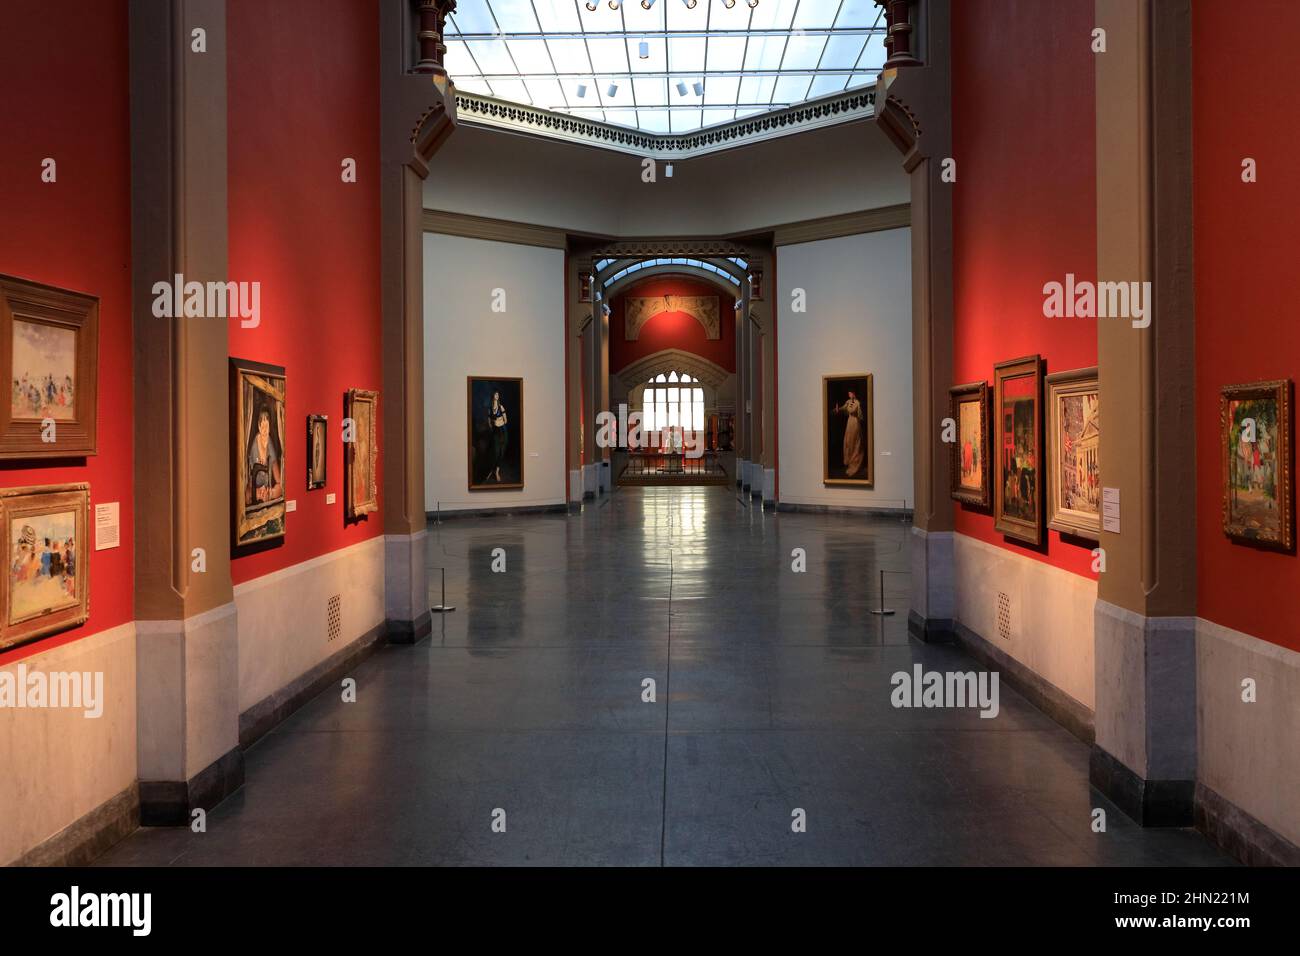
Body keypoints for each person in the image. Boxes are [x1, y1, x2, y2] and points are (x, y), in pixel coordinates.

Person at [248, 408, 282, 504]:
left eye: (266, 426)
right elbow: (250, 479)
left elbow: (278, 479)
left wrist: (270, 492)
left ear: (270, 427)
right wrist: (258, 491)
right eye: (262, 426)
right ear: (258, 426)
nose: (264, 430)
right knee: (247, 495)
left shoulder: (269, 443)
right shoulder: (255, 444)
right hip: (254, 487)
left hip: (266, 489)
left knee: (280, 489)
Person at [831, 389, 866, 477]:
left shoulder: (857, 402)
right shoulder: (848, 401)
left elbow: (851, 411)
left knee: (855, 442)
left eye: (850, 394)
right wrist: (837, 409)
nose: (849, 396)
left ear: (854, 394)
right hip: (849, 423)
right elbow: (843, 408)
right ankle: (849, 461)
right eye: (848, 394)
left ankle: (855, 462)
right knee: (848, 441)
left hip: (855, 422)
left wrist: (848, 406)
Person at [487, 391, 509, 483]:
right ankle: (492, 470)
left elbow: (506, 420)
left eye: (498, 395)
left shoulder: (501, 407)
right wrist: (493, 425)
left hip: (503, 431)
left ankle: (497, 472)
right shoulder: (490, 408)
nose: (497, 396)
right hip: (496, 431)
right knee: (495, 452)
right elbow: (488, 420)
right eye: (496, 394)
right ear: (492, 395)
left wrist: (500, 421)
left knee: (501, 452)